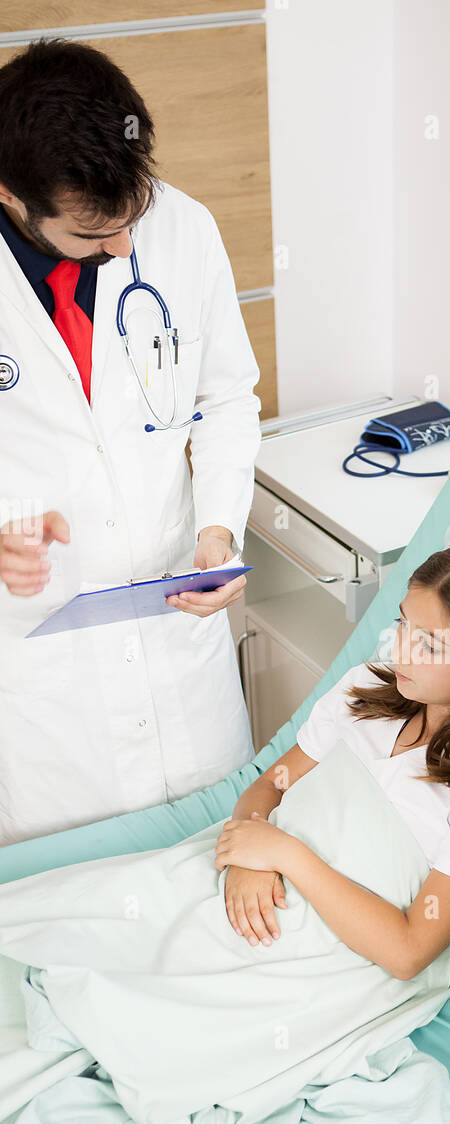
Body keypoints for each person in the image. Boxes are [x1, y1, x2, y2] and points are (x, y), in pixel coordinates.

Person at [0, 38, 259, 846]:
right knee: (70, 904)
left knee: (223, 864)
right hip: (41, 657)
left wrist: (218, 528)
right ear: (10, 194)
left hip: (174, 619)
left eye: (131, 217)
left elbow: (226, 396)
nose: (121, 248)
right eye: (90, 233)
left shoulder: (185, 228)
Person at [216, 528, 450, 960]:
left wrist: (282, 854)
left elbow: (410, 950)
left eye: (430, 644)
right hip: (245, 893)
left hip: (314, 951)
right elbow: (271, 785)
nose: (403, 651)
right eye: (404, 624)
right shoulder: (363, 689)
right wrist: (246, 859)